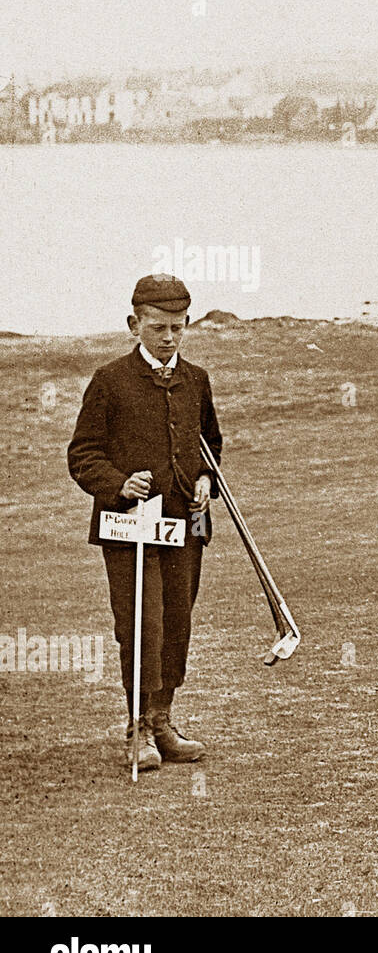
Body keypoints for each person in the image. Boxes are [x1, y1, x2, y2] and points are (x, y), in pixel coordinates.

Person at [68, 274, 222, 769]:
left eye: (177, 327)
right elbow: (83, 454)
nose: (168, 337)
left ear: (187, 324)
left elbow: (210, 448)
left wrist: (205, 482)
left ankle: (163, 722)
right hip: (128, 528)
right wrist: (117, 485)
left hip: (186, 525)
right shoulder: (109, 380)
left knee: (177, 624)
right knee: (141, 625)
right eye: (157, 327)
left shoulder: (196, 379)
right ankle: (137, 729)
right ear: (134, 324)